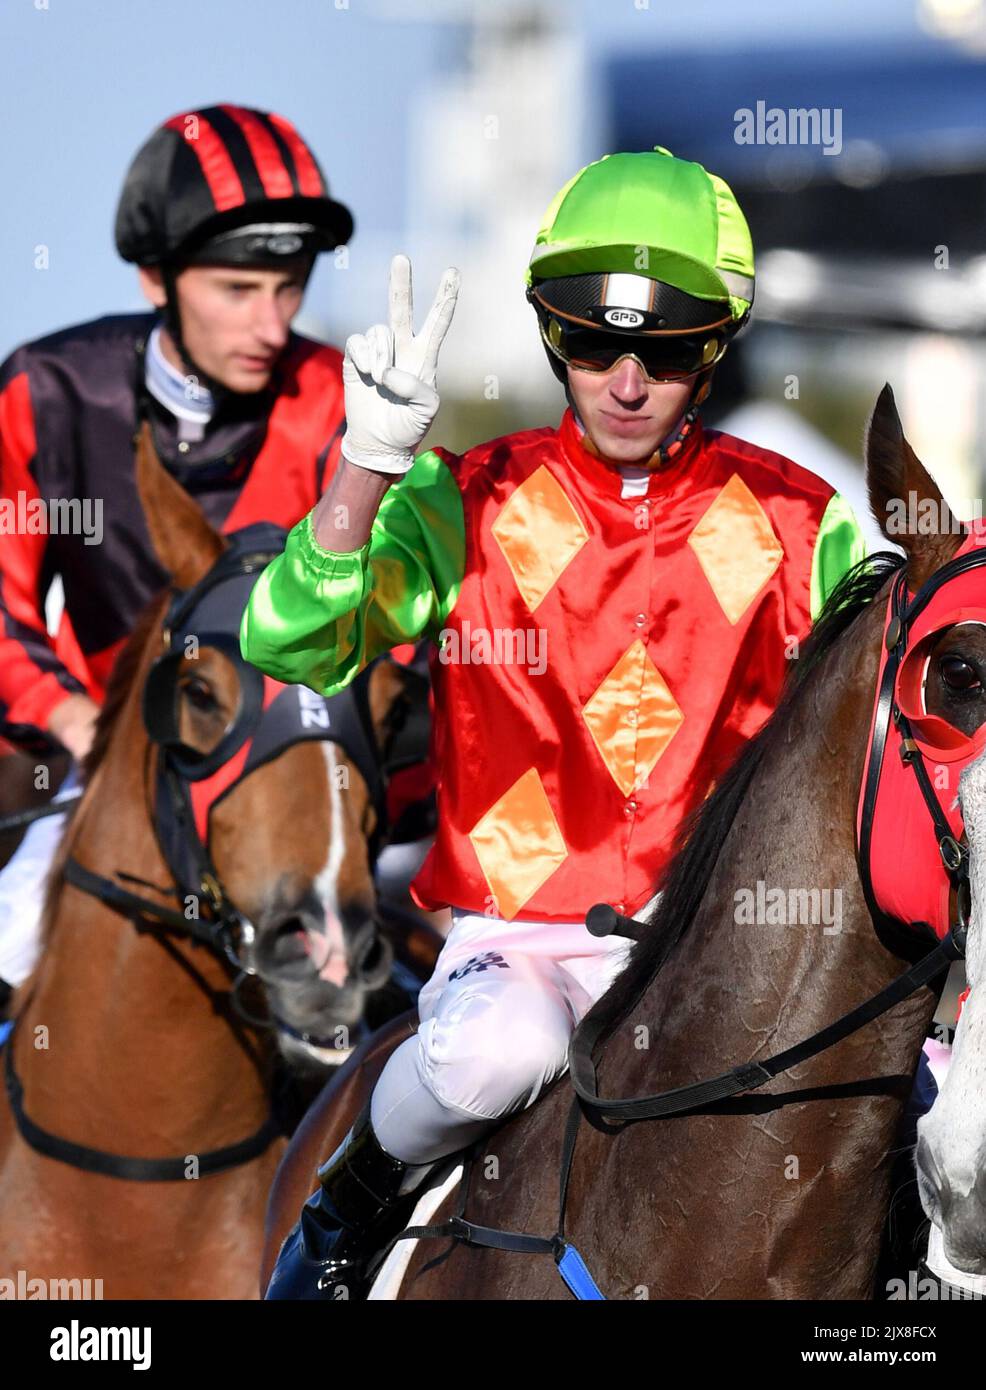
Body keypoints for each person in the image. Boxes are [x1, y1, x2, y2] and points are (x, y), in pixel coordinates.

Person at [241, 146, 868, 1298]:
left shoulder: (803, 522)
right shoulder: (458, 499)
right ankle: (345, 1207)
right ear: (550, 336)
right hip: (516, 945)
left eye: (664, 351)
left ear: (715, 347)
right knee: (499, 1052)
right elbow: (286, 642)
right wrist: (361, 477)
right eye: (592, 343)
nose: (624, 383)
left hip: (720, 956)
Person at [0, 104, 355, 1001]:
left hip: (299, 778)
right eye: (238, 290)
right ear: (157, 278)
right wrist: (78, 721)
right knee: (8, 952)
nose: (272, 325)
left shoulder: (337, 404)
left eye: (290, 288)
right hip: (106, 771)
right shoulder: (47, 389)